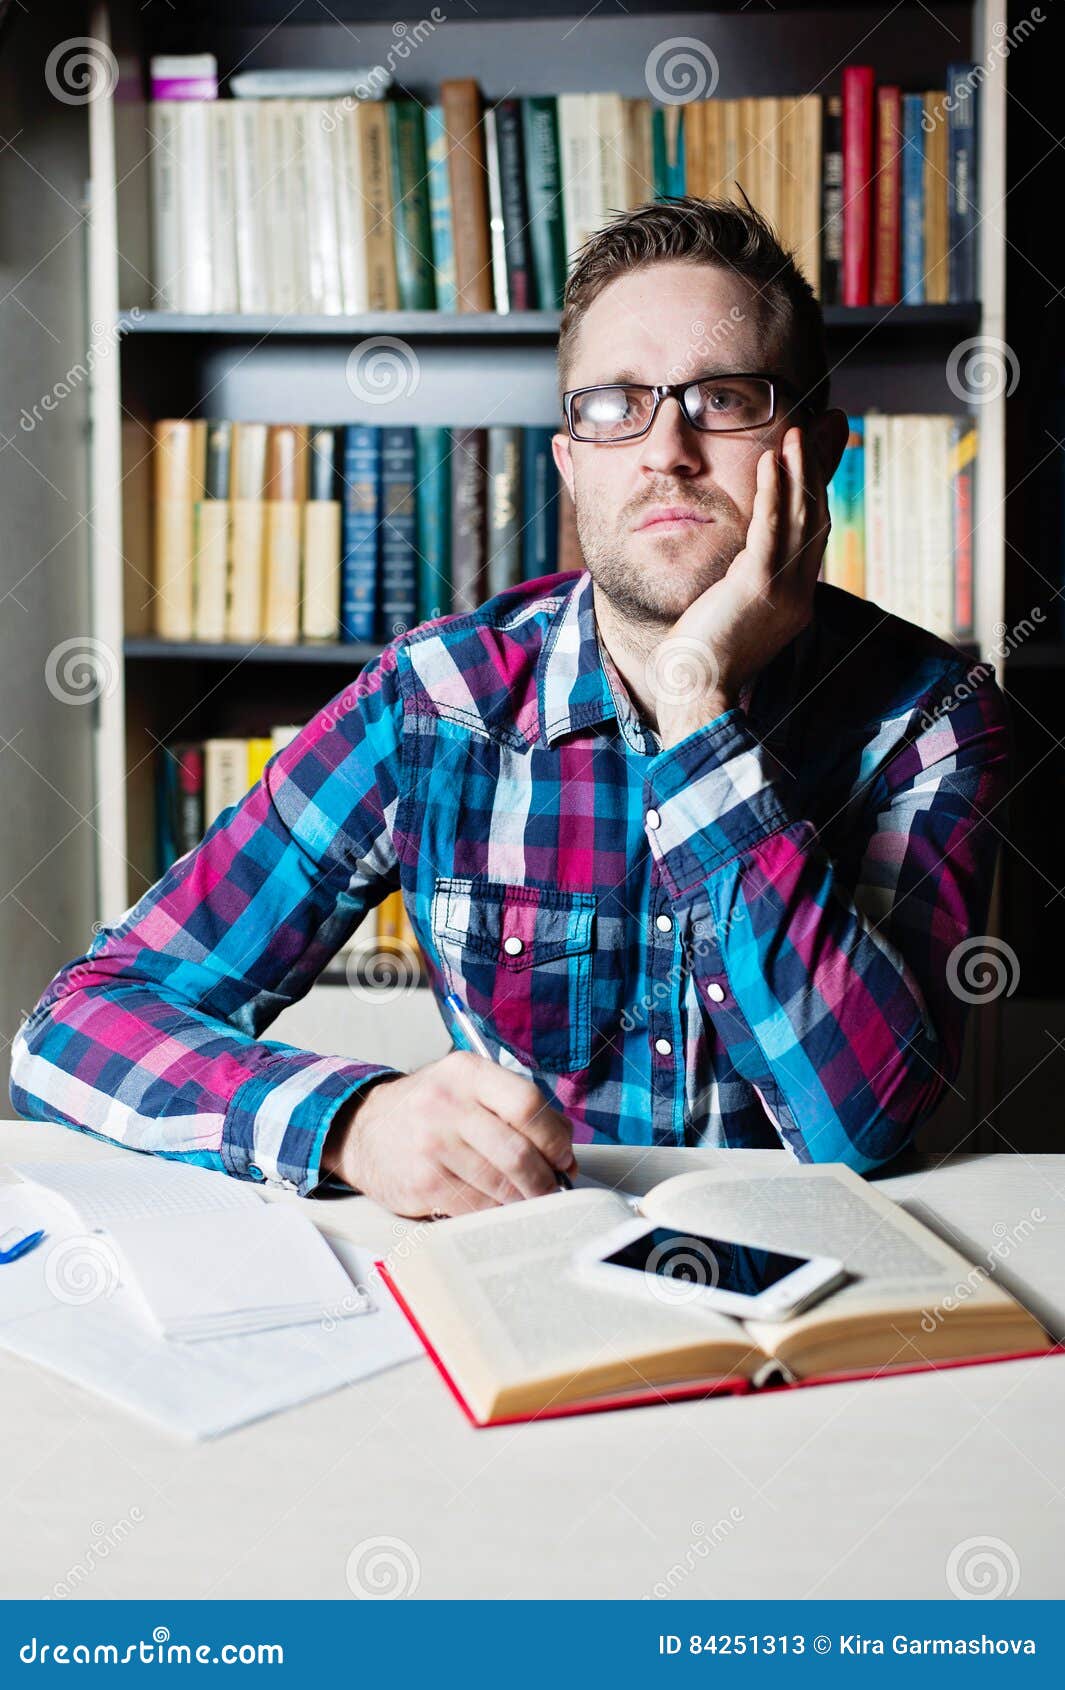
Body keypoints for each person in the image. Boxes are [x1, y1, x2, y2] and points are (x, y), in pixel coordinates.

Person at [10, 196, 1008, 1218]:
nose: (667, 449)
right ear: (572, 462)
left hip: (821, 1300)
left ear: (819, 452)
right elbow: (72, 1030)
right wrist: (350, 1122)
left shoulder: (927, 718)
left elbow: (871, 1128)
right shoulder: (436, 705)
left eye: (722, 397)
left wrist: (696, 703)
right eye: (616, 404)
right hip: (519, 1271)